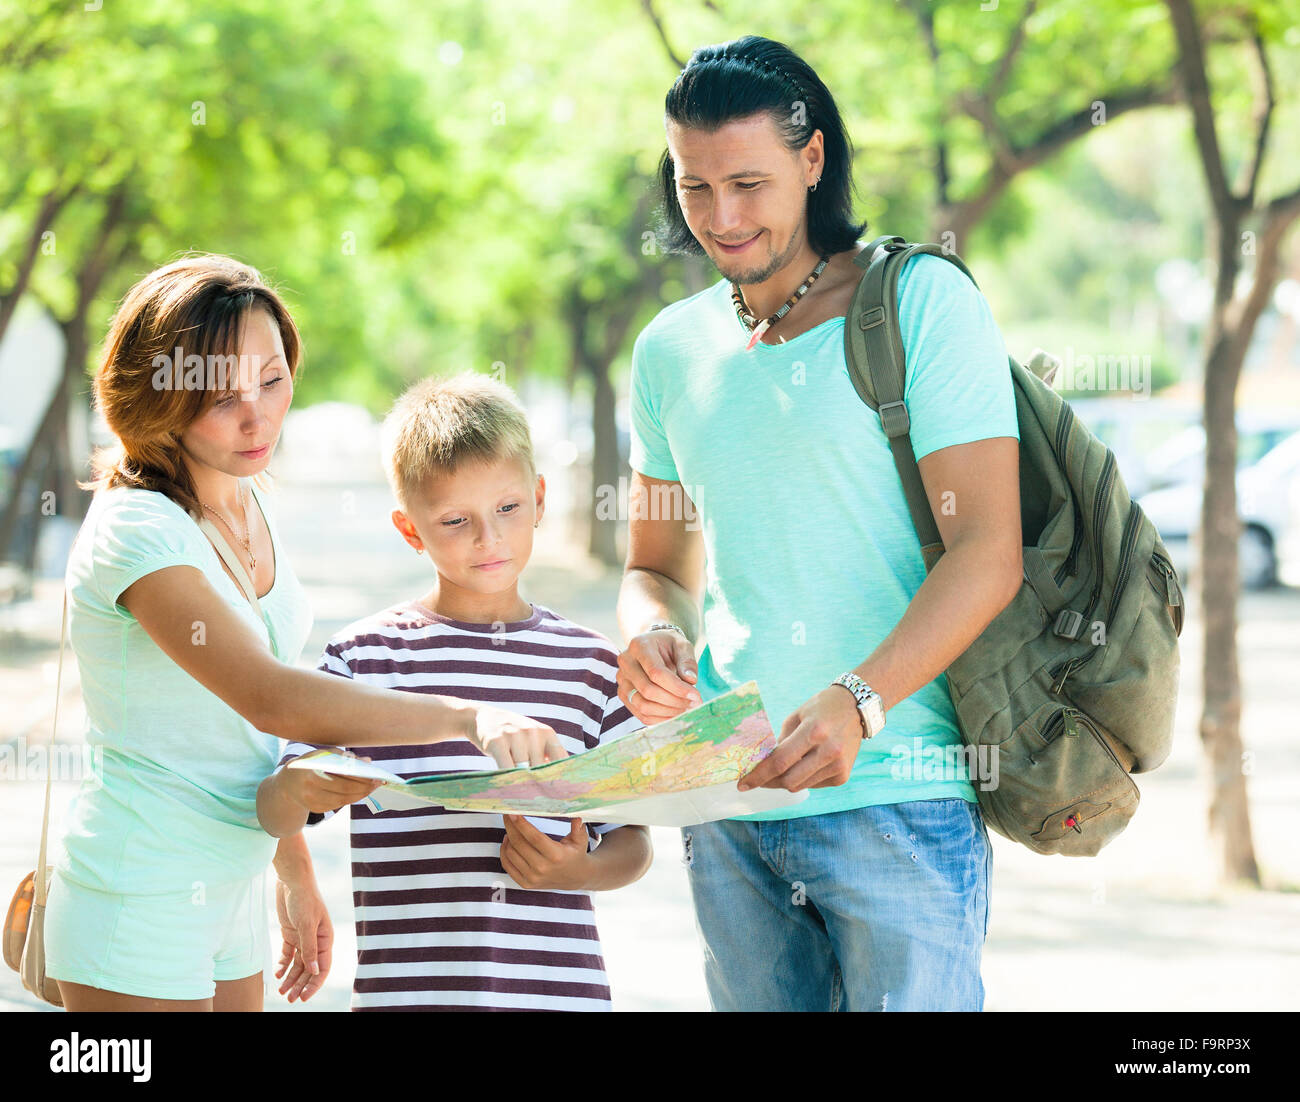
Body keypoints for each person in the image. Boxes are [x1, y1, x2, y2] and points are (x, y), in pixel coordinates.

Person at [615, 35, 1023, 1011]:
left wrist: (857, 701)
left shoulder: (920, 302)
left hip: (899, 792)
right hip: (730, 799)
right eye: (694, 187)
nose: (721, 216)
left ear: (812, 161)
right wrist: (648, 629)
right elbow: (654, 562)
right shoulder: (670, 351)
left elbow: (987, 551)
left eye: (748, 183)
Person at [43, 255, 568, 1012]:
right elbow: (269, 697)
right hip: (141, 888)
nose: (258, 416)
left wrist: (294, 873)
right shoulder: (137, 528)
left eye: (272, 379)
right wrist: (467, 717)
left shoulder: (247, 498)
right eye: (222, 397)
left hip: (235, 884)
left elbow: (250, 737)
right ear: (161, 398)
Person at [259, 372, 653, 1011]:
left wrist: (580, 872)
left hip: (557, 996)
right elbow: (277, 811)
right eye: (454, 520)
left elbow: (634, 839)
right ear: (410, 529)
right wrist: (299, 788)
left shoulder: (592, 665)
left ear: (540, 498)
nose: (489, 539)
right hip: (407, 996)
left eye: (507, 508)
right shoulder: (364, 660)